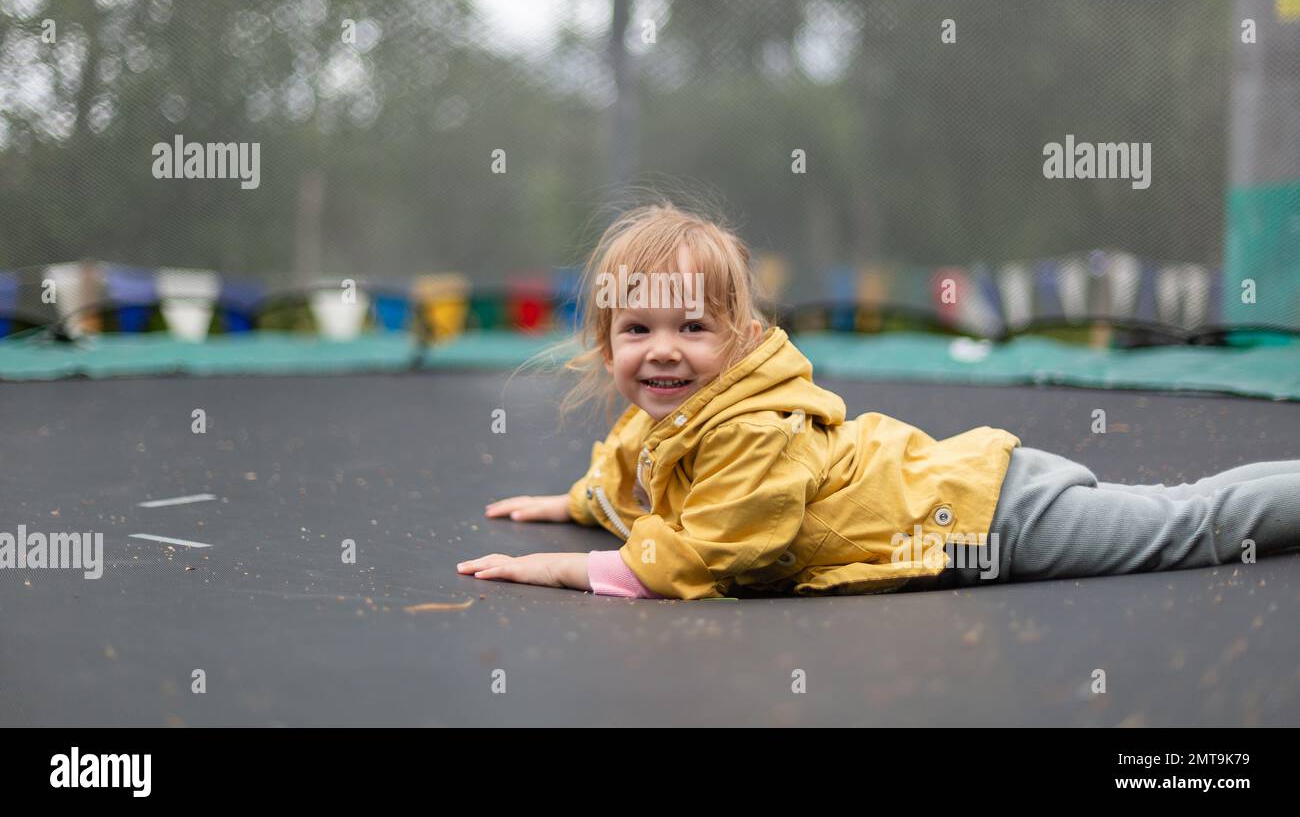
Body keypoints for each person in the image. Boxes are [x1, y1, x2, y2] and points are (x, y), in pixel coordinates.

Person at [457, 200, 1300, 599]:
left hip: (987, 517)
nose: (665, 349)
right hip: (952, 516)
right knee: (1180, 511)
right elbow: (631, 473)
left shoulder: (754, 430)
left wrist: (571, 565)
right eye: (638, 330)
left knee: (1186, 525)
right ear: (608, 348)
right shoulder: (660, 415)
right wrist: (570, 502)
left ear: (741, 339)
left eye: (692, 327)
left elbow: (708, 555)